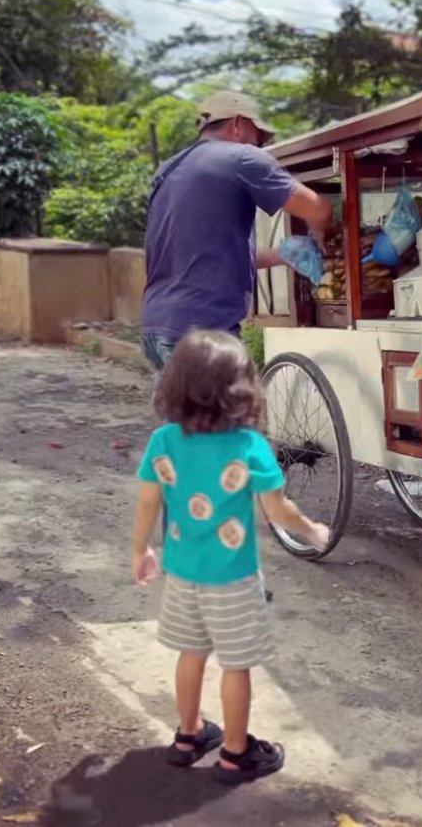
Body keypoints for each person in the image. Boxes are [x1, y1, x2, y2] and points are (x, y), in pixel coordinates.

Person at [131, 329, 329, 784]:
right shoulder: (248, 446)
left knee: (192, 653)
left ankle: (188, 734)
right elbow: (278, 509)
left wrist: (140, 550)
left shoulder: (164, 441)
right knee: (235, 666)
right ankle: (236, 753)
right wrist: (312, 529)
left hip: (182, 574)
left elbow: (148, 501)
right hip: (233, 579)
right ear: (241, 390)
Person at [141, 90, 332, 374]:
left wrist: (283, 254)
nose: (261, 145)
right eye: (259, 136)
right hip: (202, 332)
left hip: (156, 328)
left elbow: (205, 252)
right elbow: (319, 210)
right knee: (226, 416)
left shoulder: (169, 169)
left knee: (186, 418)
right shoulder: (242, 158)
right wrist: (326, 242)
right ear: (238, 124)